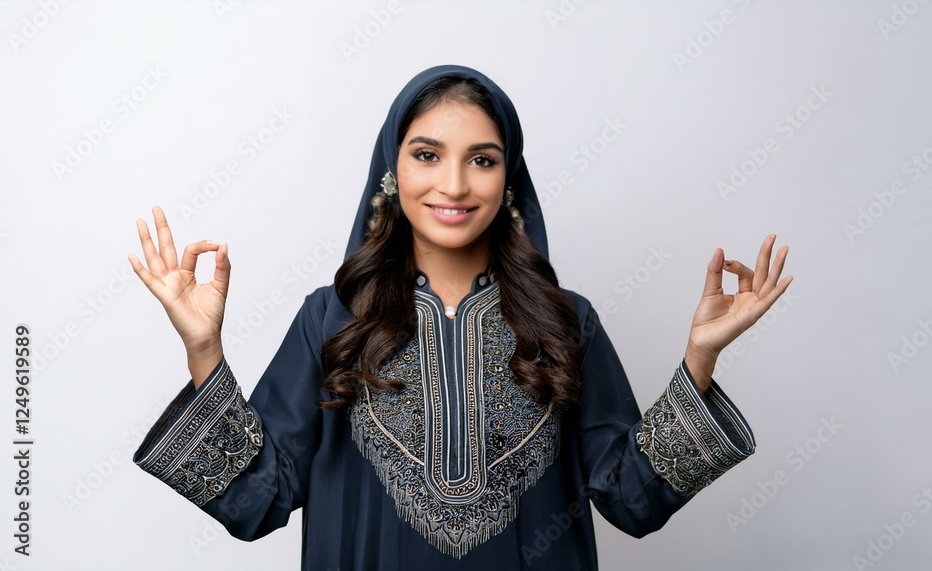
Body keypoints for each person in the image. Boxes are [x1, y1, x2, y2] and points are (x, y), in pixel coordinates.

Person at [128, 64, 792, 571]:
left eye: (482, 159)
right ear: (392, 169)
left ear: (508, 177)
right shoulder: (331, 320)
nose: (454, 184)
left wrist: (700, 359)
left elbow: (632, 501)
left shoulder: (566, 323)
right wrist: (204, 350)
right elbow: (257, 501)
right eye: (427, 155)